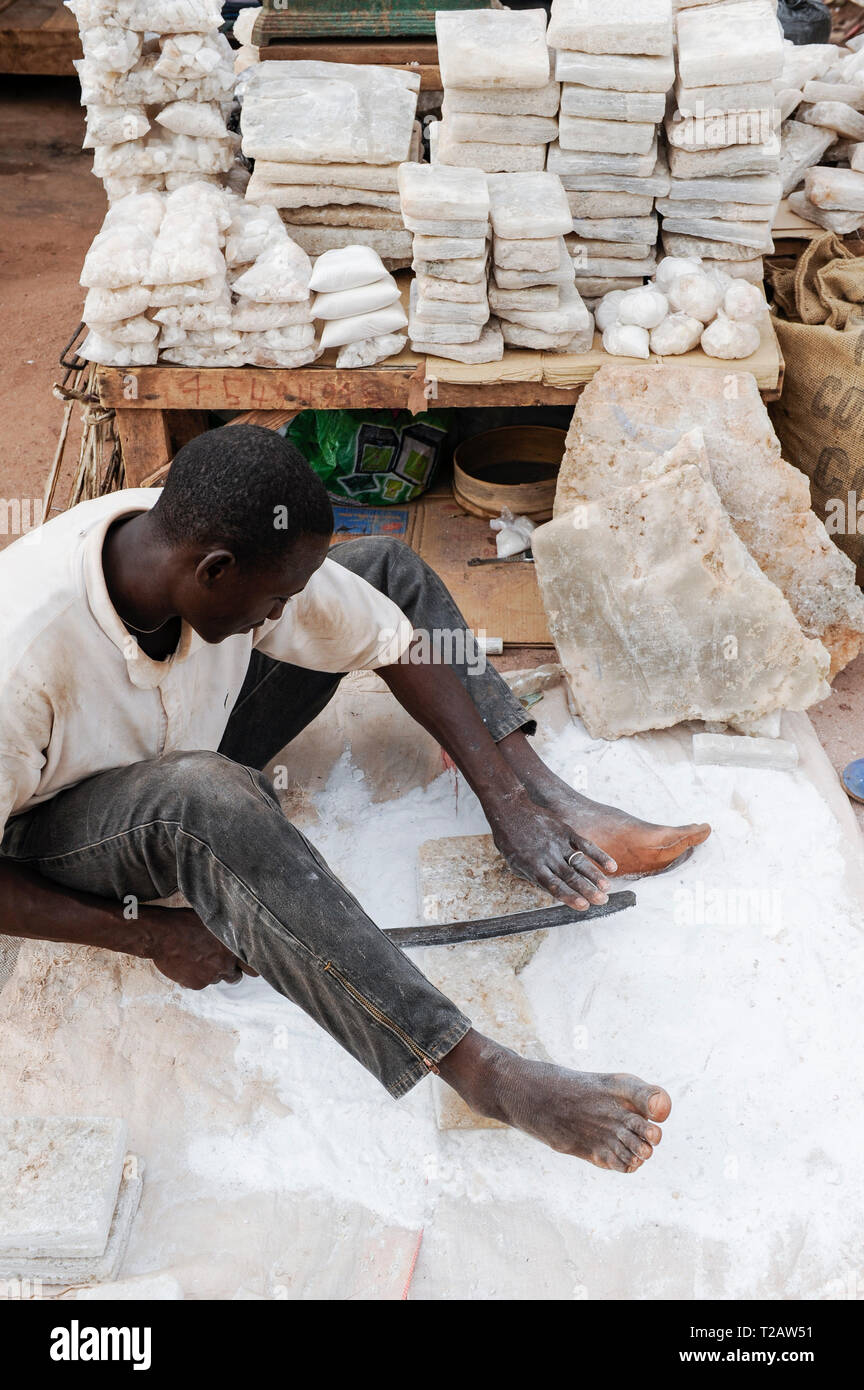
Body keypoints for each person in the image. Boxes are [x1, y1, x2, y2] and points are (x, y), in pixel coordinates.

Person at [0, 425, 710, 1172]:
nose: (279, 616)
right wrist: (151, 935)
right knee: (205, 796)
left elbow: (393, 635)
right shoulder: (21, 658)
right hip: (58, 830)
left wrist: (504, 807)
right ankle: (483, 1072)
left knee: (386, 573)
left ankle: (539, 795)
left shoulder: (188, 542)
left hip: (179, 743)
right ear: (215, 571)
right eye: (273, 601)